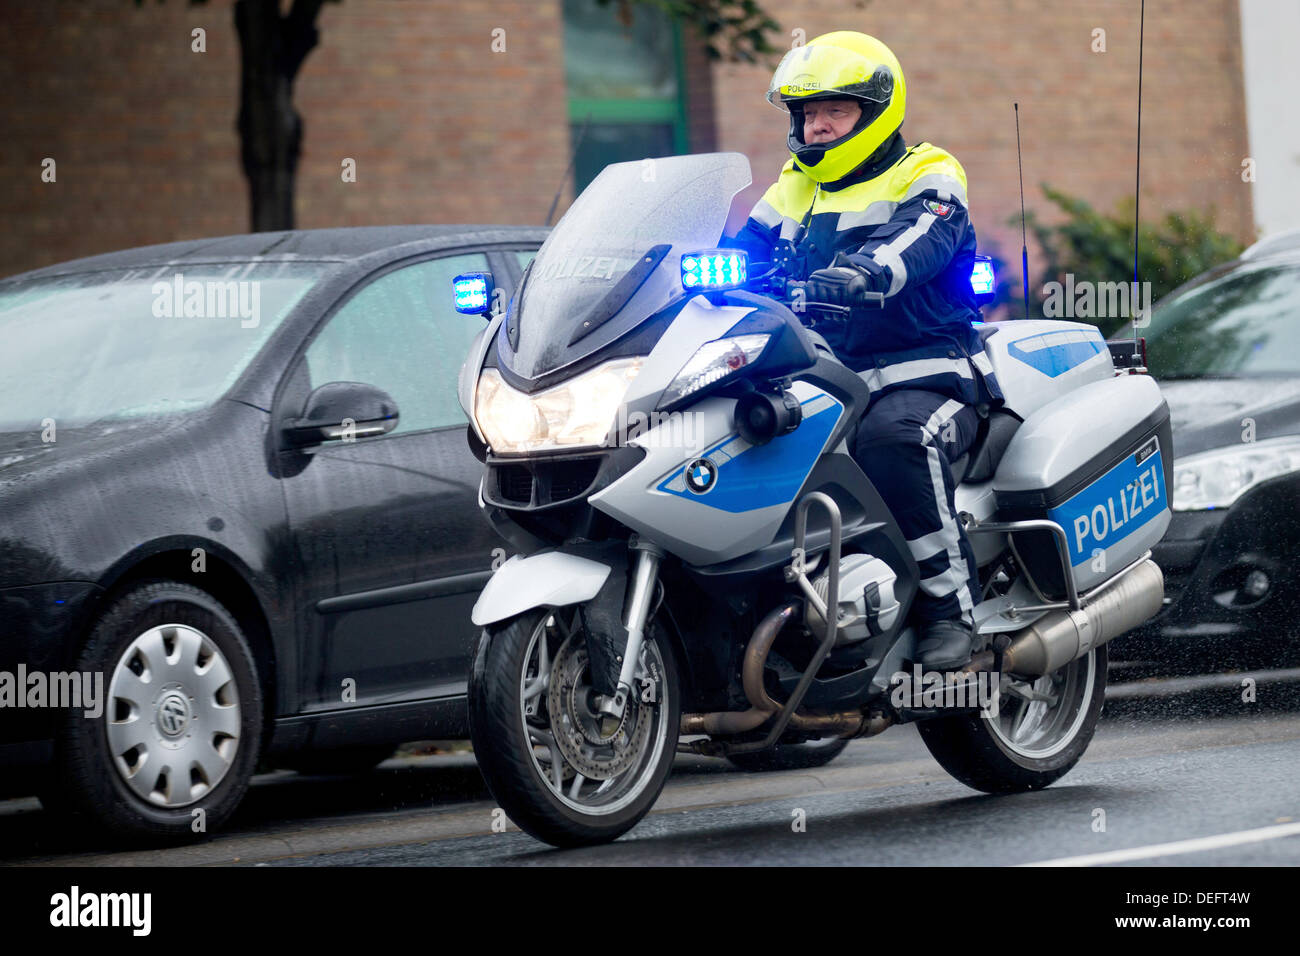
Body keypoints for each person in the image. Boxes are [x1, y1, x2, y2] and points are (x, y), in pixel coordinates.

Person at [730, 31, 1003, 671]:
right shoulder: (792, 188)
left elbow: (919, 236)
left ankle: (948, 606)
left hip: (928, 378)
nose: (817, 126)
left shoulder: (928, 171)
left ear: (876, 113)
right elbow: (738, 256)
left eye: (835, 111)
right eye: (807, 113)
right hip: (825, 382)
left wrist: (866, 270)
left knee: (894, 440)